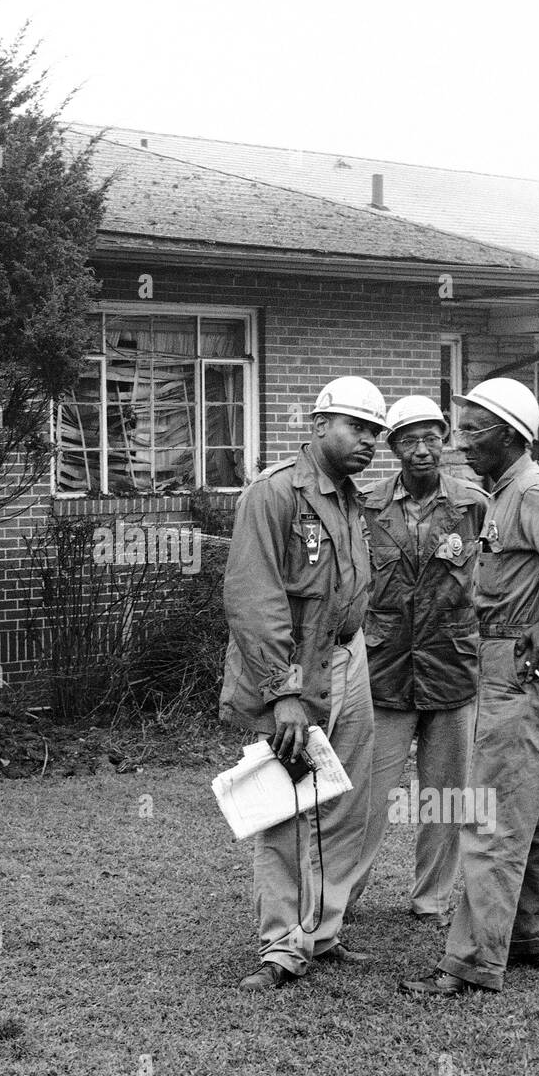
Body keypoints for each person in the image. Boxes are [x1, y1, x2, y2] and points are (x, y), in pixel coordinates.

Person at [401, 376, 539, 997]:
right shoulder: (502, 493)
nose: (458, 441)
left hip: (524, 665)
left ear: (510, 436)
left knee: (489, 815)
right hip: (498, 657)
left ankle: (469, 964)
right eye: (459, 428)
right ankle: (530, 937)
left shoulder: (533, 489)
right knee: (528, 807)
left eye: (472, 430)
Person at [220, 376, 385, 991]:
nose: (369, 441)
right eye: (356, 427)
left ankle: (322, 929)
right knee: (286, 805)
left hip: (349, 657)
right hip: (293, 668)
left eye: (376, 431)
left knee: (346, 799)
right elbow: (252, 598)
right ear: (319, 426)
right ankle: (282, 945)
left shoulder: (350, 499)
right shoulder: (274, 494)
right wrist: (284, 692)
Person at [347, 395, 486, 928]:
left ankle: (431, 897)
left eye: (431, 437)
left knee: (446, 795)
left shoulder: (475, 505)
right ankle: (344, 892)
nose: (422, 449)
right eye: (409, 439)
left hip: (452, 663)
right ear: (393, 446)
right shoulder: (367, 505)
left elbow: (491, 582)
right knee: (367, 794)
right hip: (384, 668)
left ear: (445, 439)